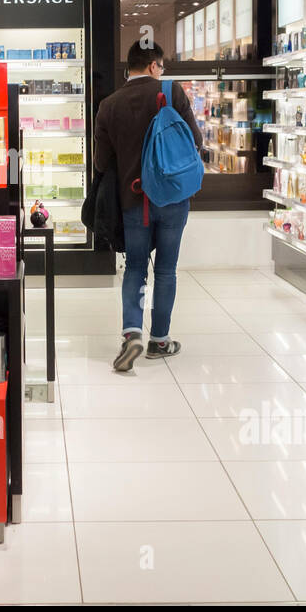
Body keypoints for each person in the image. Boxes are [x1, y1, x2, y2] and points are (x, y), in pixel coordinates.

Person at [93, 41, 202, 373]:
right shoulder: (172, 93)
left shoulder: (109, 104)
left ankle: (132, 335)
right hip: (172, 198)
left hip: (133, 200)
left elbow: (100, 163)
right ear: (154, 65)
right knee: (166, 270)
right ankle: (160, 340)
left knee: (136, 268)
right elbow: (194, 140)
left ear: (130, 67)